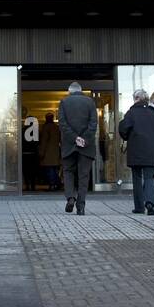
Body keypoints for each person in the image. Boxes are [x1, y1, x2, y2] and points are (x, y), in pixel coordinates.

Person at [119, 89, 154, 215]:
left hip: (136, 151)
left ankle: (139, 207)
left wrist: (127, 137)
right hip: (151, 151)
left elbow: (123, 129)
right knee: (149, 178)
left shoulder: (131, 113)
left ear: (137, 99)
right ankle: (150, 203)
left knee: (137, 179)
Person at [58, 82, 97, 215]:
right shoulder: (90, 102)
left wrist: (75, 138)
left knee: (68, 172)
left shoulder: (64, 102)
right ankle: (81, 206)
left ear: (69, 91)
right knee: (83, 176)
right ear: (81, 91)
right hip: (86, 146)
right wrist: (84, 139)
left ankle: (70, 198)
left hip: (69, 144)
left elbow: (62, 124)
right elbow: (93, 124)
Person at [38, 111, 62, 190]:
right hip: (56, 152)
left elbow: (44, 141)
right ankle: (57, 183)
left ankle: (52, 184)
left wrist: (41, 153)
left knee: (49, 169)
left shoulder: (46, 128)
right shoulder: (57, 127)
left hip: (48, 153)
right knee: (54, 169)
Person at [21, 105, 40, 191]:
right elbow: (38, 142)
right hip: (34, 154)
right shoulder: (36, 131)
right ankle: (33, 185)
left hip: (24, 153)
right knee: (33, 171)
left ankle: (27, 185)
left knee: (26, 171)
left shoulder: (23, 130)